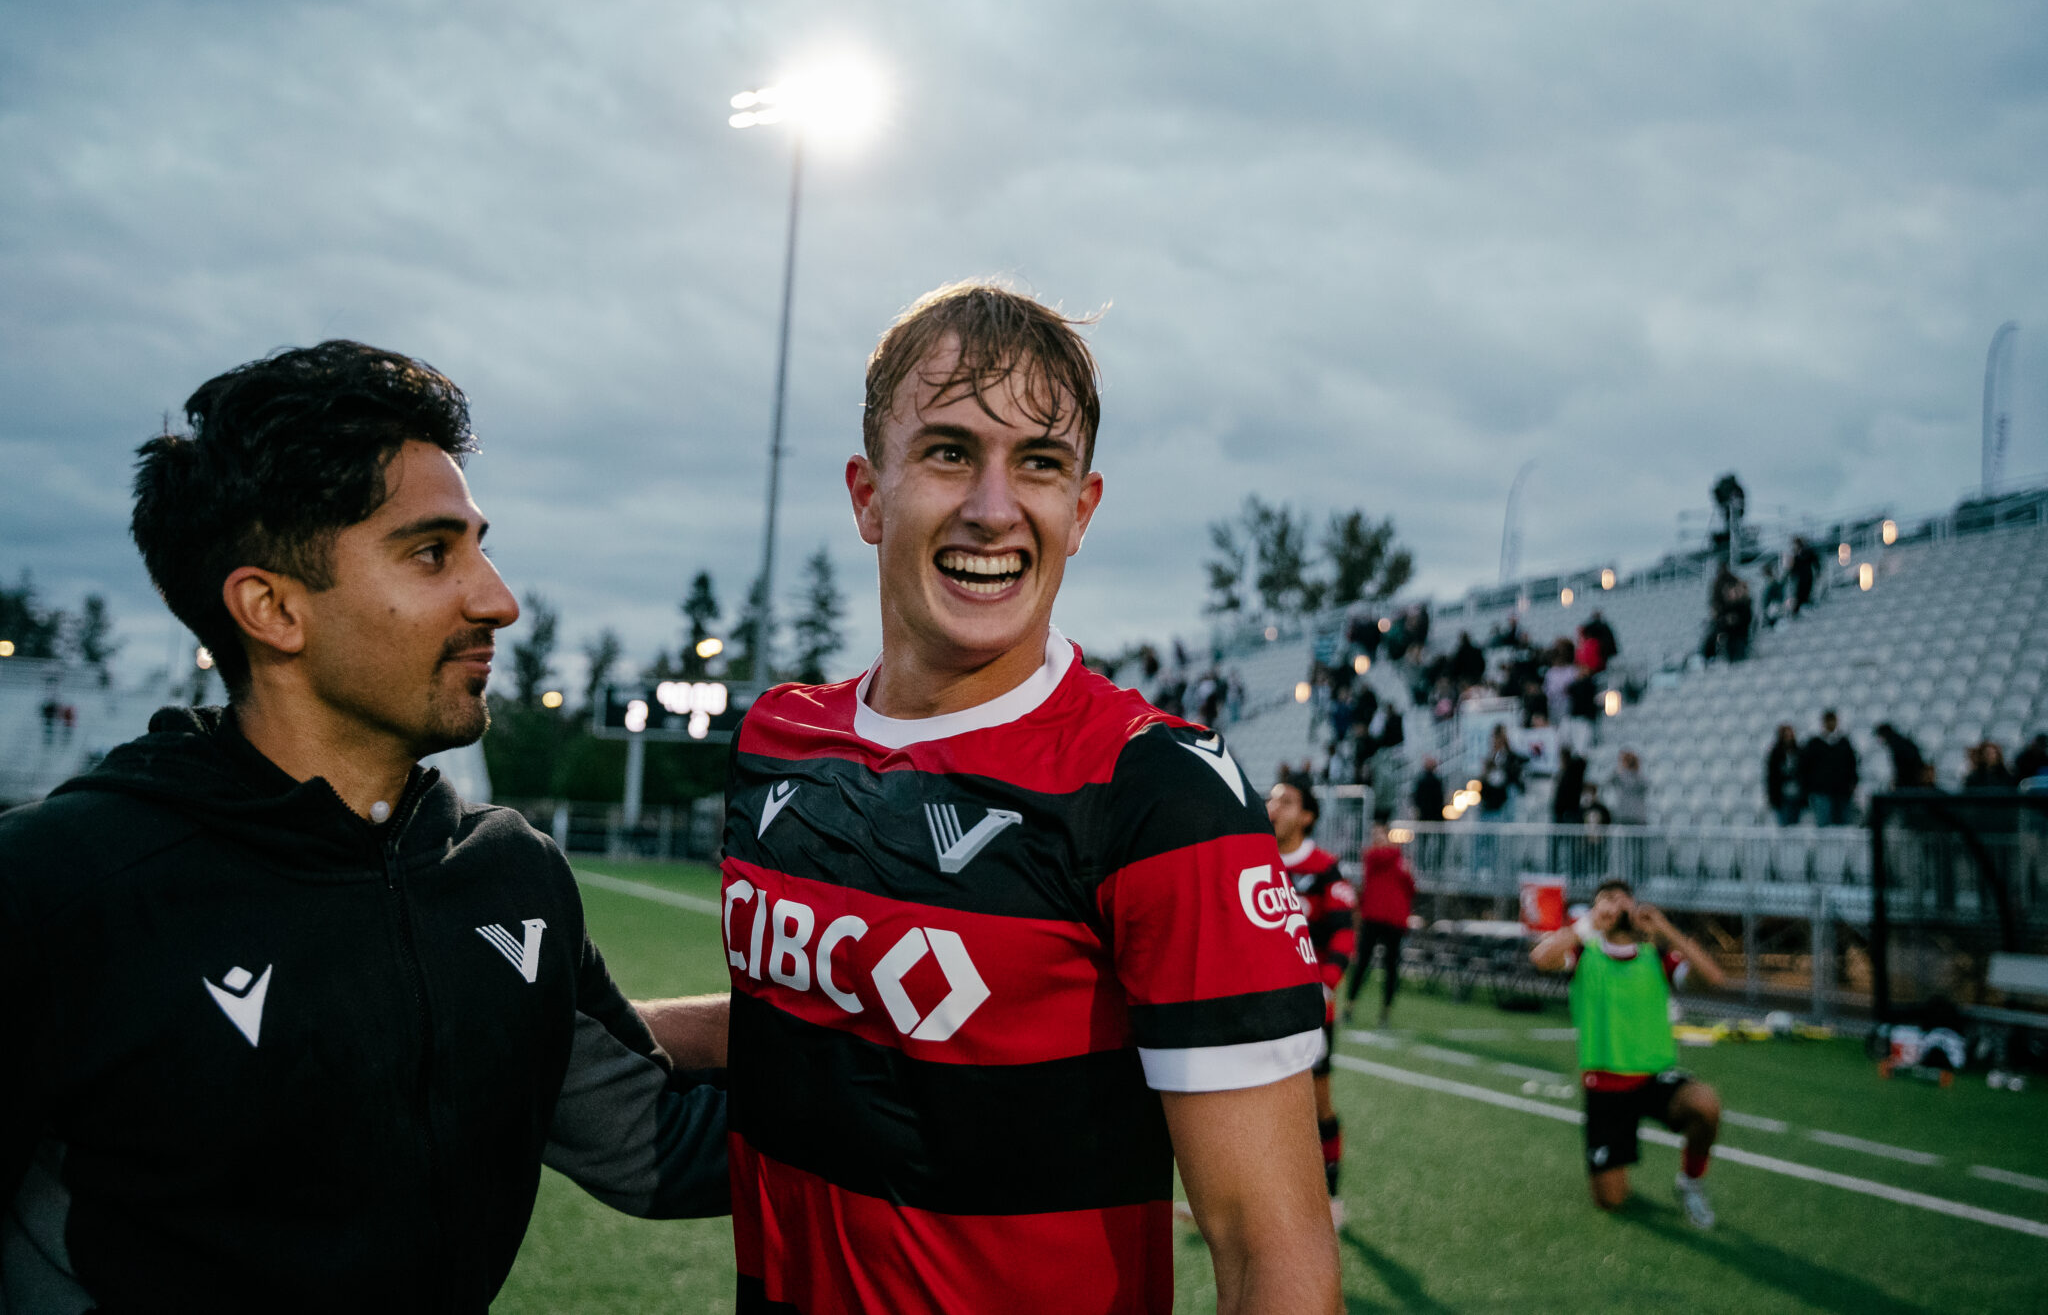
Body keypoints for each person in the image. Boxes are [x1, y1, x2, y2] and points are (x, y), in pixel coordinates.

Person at [0, 343, 730, 1313]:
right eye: (433, 553)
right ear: (271, 608)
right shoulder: (58, 888)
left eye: (478, 544)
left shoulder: (510, 872)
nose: (497, 599)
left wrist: (975, 1070)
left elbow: (647, 1141)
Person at [702, 285, 1339, 1313]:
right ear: (868, 495)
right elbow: (809, 1021)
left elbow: (1271, 1255)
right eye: (949, 451)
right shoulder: (780, 739)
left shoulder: (1156, 792)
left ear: (1079, 511)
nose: (994, 508)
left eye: (1037, 463)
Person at [1530, 878, 1727, 1228]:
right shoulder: (1582, 951)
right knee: (1611, 1201)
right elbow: (1541, 958)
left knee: (1705, 1104)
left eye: (1624, 899)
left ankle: (1690, 1182)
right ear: (1596, 908)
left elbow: (1712, 978)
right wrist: (1589, 924)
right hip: (1605, 1088)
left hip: (1654, 1078)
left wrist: (1665, 928)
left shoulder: (1656, 956)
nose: (1616, 905)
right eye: (1607, 899)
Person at [1266, 779, 1357, 1222]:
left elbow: (1344, 932)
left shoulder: (1323, 868)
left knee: (1317, 1102)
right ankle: (1257, 1201)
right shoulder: (1254, 859)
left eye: (1286, 801)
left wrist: (1325, 986)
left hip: (1308, 1008)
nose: (1273, 806)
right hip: (1259, 1004)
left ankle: (1330, 1198)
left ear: (1307, 817)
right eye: (1272, 798)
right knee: (1257, 1100)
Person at [1345, 823, 1415, 1030]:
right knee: (1362, 963)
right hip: (1373, 917)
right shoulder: (1377, 857)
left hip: (1393, 920)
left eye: (1381, 835)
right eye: (1375, 836)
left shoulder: (1399, 860)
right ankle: (1350, 1006)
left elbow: (1410, 888)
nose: (1378, 839)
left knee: (1390, 968)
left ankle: (1385, 1012)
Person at [1799, 710, 1859, 825]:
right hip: (1822, 791)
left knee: (1843, 824)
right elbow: (1805, 766)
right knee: (1824, 825)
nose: (1831, 724)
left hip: (1842, 790)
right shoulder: (1814, 743)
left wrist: (1853, 782)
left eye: (1833, 721)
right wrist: (1809, 786)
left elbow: (1852, 764)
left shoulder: (1844, 742)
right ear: (1823, 723)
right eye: (1828, 721)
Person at [1765, 723, 1804, 825]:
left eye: (1790, 734)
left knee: (1795, 823)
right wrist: (1771, 796)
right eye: (1786, 735)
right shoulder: (1775, 753)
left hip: (1797, 793)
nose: (1789, 737)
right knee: (1784, 824)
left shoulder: (1799, 751)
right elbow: (1771, 776)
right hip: (1781, 794)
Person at [1874, 722, 1930, 790]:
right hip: (1914, 779)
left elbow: (1902, 767)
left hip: (1910, 781)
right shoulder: (1901, 742)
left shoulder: (1896, 745)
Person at [1605, 750, 1650, 827]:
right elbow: (1607, 782)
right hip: (1622, 814)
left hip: (1637, 816)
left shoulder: (1639, 777)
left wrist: (1624, 772)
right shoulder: (1617, 775)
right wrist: (1618, 771)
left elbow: (1643, 787)